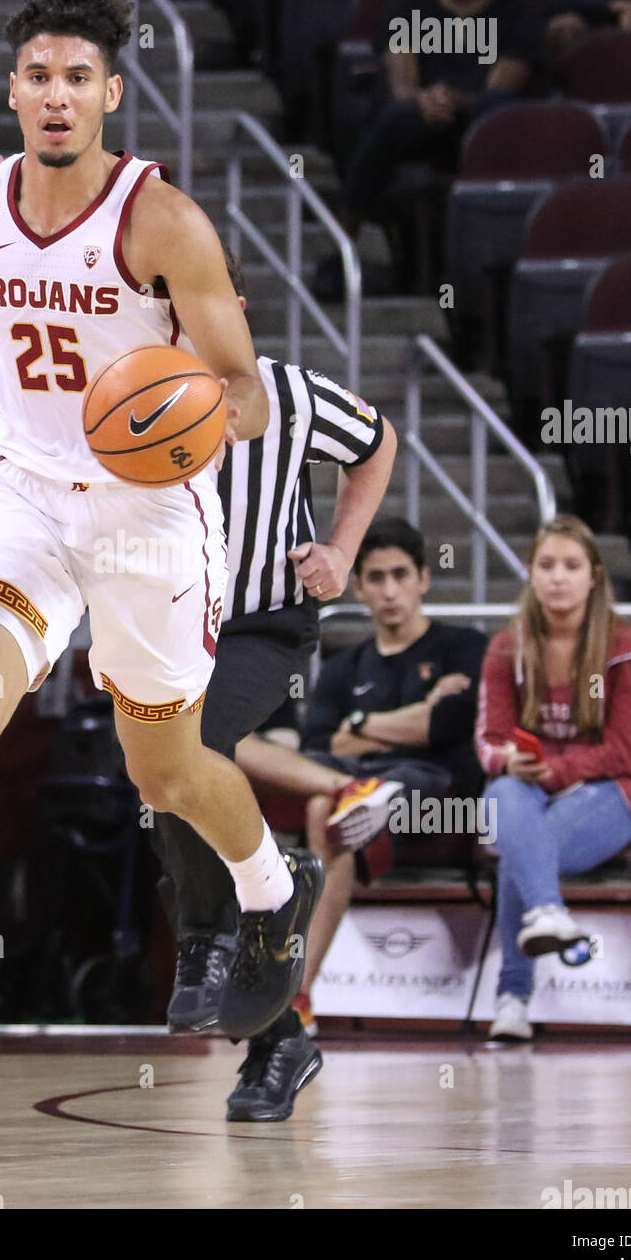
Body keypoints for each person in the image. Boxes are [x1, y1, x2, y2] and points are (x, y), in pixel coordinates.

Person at [0, 0, 323, 1106]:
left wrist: (190, 403)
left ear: (110, 91)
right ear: (13, 89)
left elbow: (248, 399)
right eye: (37, 76)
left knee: (162, 769)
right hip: (29, 500)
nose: (55, 96)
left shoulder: (163, 222)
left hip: (149, 515)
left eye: (78, 78)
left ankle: (271, 886)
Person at [149, 249, 396, 1120]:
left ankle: (211, 936)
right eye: (161, 302)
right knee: (165, 790)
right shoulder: (120, 397)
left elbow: (377, 443)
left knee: (190, 752)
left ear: (235, 305)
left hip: (260, 622)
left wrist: (342, 550)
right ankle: (278, 1042)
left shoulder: (289, 393)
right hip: (162, 622)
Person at [284, 519, 488, 1033]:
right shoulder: (342, 667)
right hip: (351, 784)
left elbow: (446, 729)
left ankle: (296, 995)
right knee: (311, 784)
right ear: (358, 586)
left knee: (333, 799)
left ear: (424, 579)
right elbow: (317, 746)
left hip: (436, 796)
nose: (389, 590)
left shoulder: (464, 647)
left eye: (401, 575)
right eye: (376, 578)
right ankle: (294, 995)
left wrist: (359, 729)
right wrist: (415, 717)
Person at [475, 516, 631, 1043]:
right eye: (547, 565)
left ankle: (513, 994)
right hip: (526, 792)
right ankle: (549, 913)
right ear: (530, 573)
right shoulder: (507, 648)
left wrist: (557, 770)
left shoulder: (626, 648)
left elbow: (621, 751)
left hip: (610, 794)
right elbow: (488, 740)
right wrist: (511, 762)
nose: (559, 577)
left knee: (520, 848)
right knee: (506, 792)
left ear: (595, 576)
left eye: (572, 566)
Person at [336, 0, 538, 247]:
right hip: (419, 117)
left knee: (497, 110)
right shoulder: (405, 7)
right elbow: (402, 88)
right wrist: (424, 101)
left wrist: (454, 100)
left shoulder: (516, 14)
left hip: (478, 120)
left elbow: (502, 90)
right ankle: (343, 248)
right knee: (394, 118)